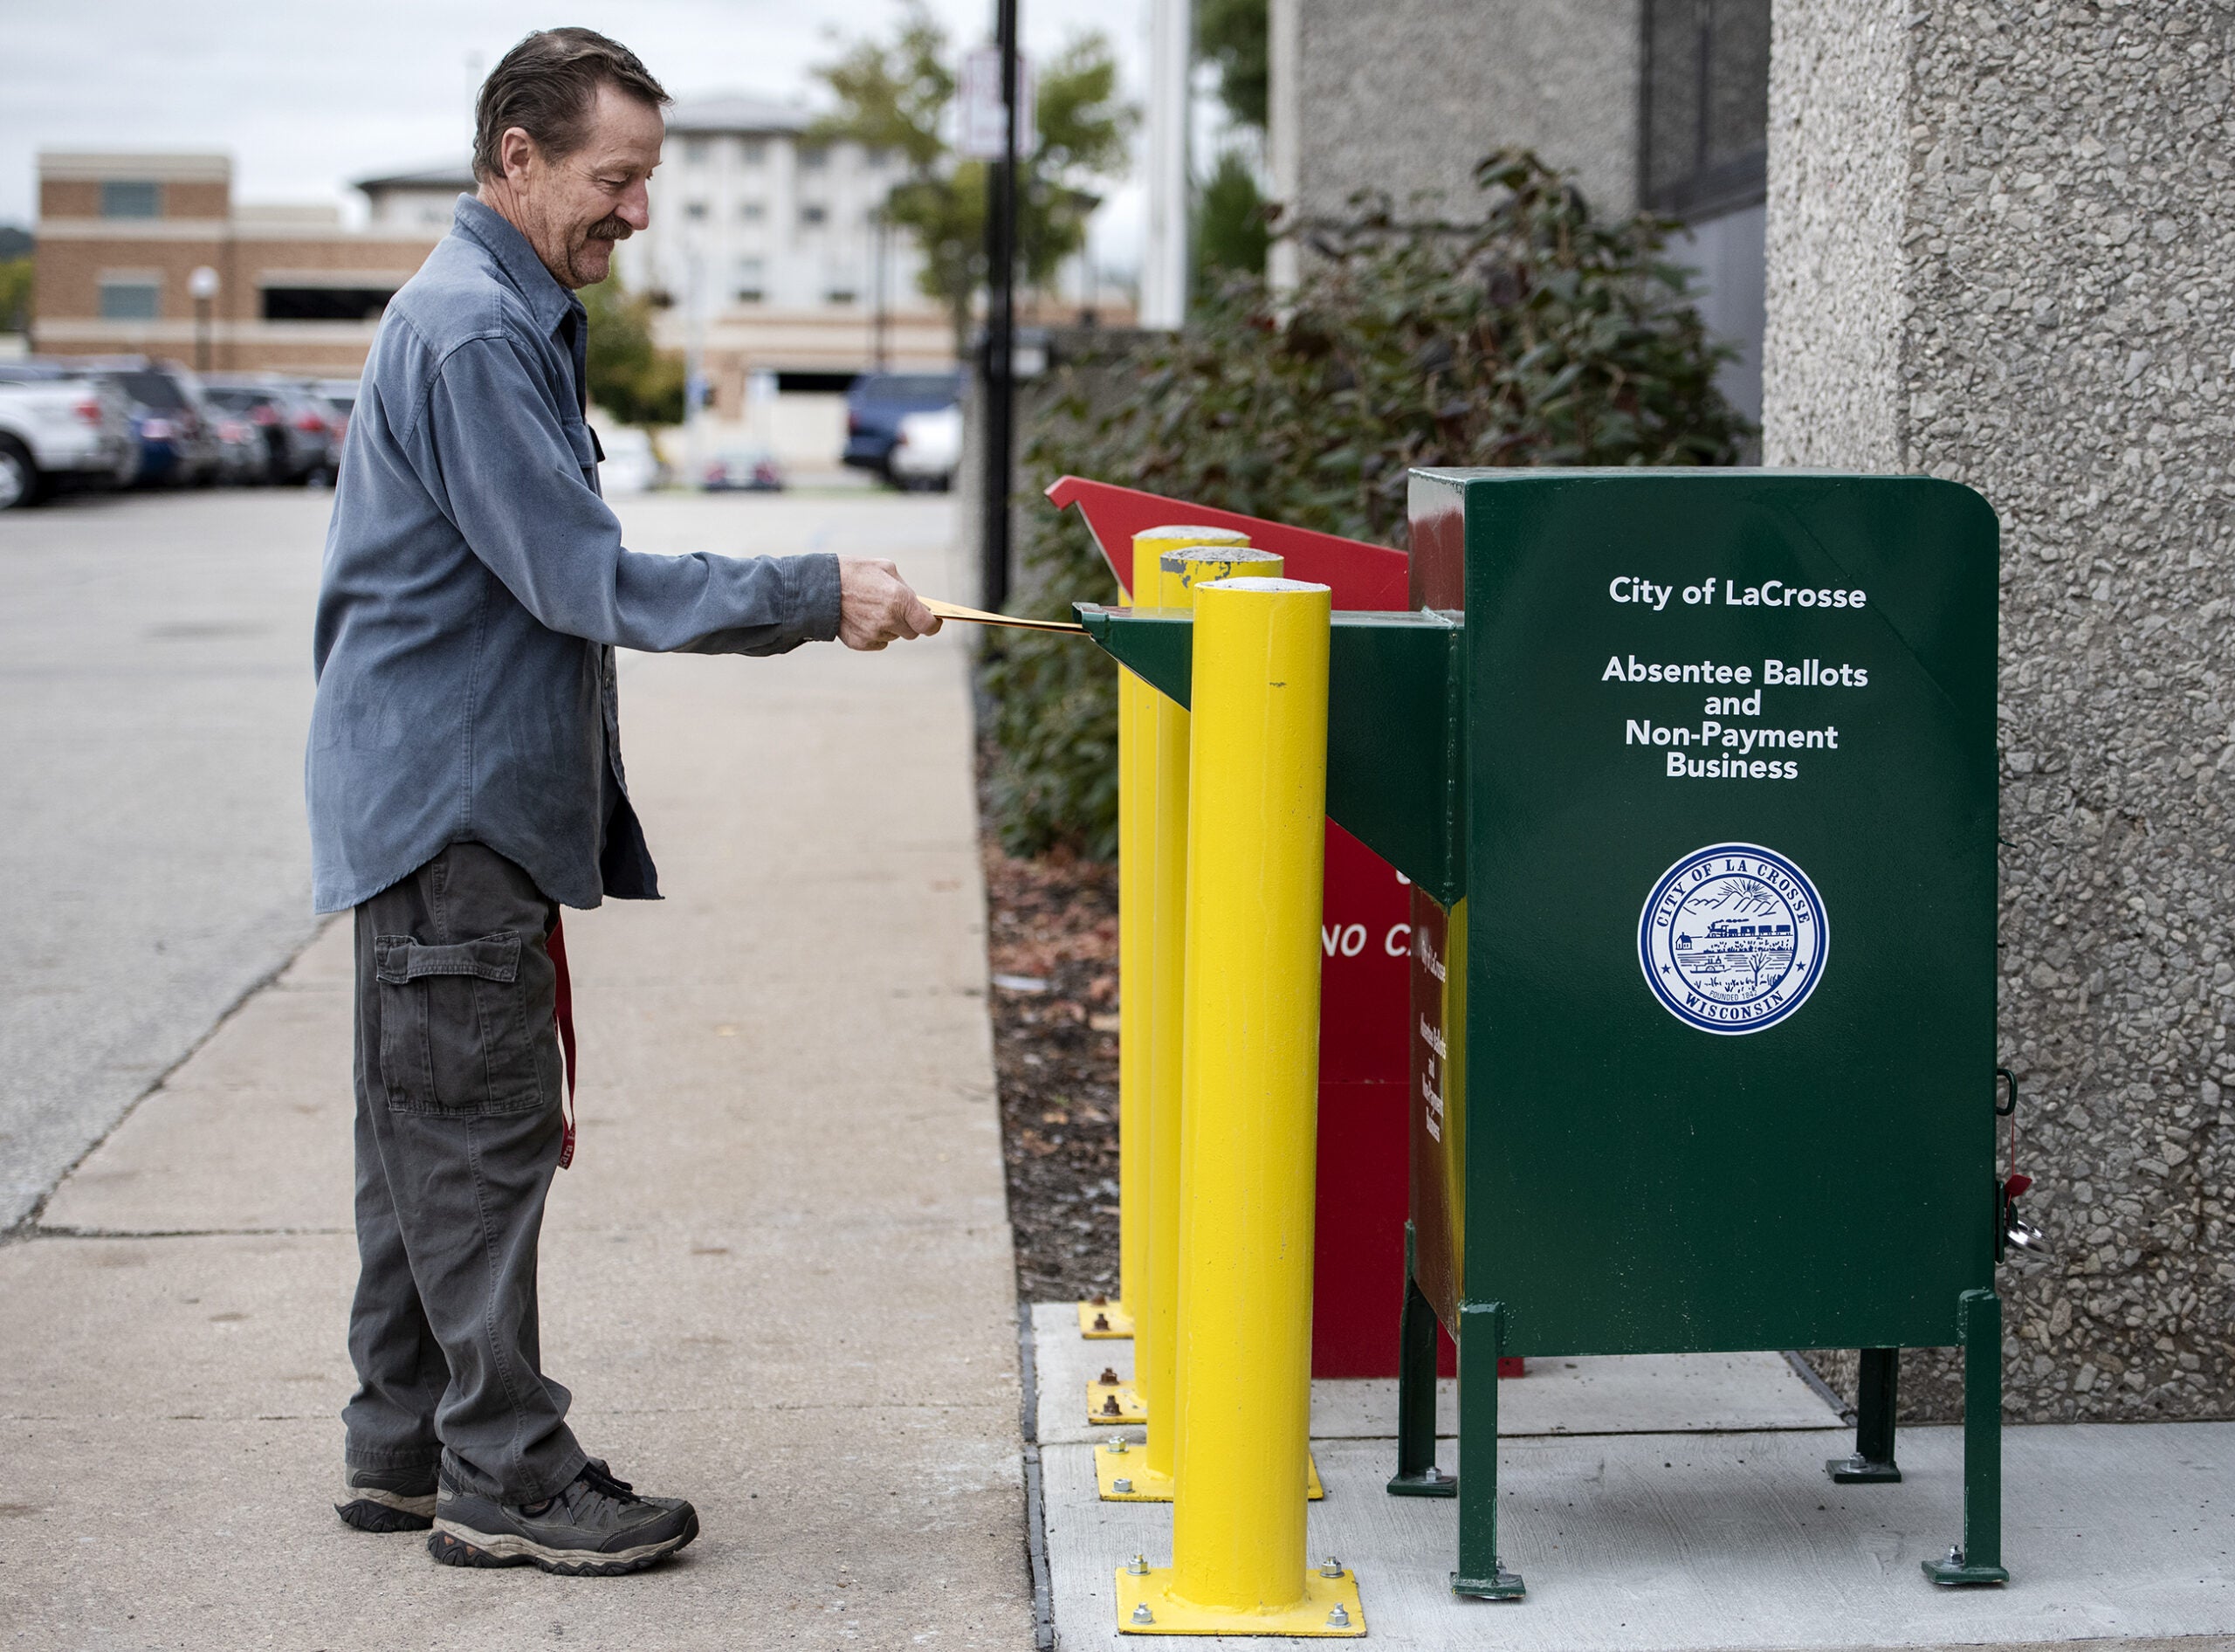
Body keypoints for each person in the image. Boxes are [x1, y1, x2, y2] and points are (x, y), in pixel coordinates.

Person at [305, 27, 940, 1577]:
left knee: (424, 1136)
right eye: (617, 178)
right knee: (477, 1142)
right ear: (517, 155)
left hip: (440, 801)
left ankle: (403, 1446)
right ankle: (506, 1475)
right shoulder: (469, 334)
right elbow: (582, 577)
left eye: (646, 180)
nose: (636, 211)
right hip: (450, 809)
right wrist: (813, 592)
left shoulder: (502, 316)